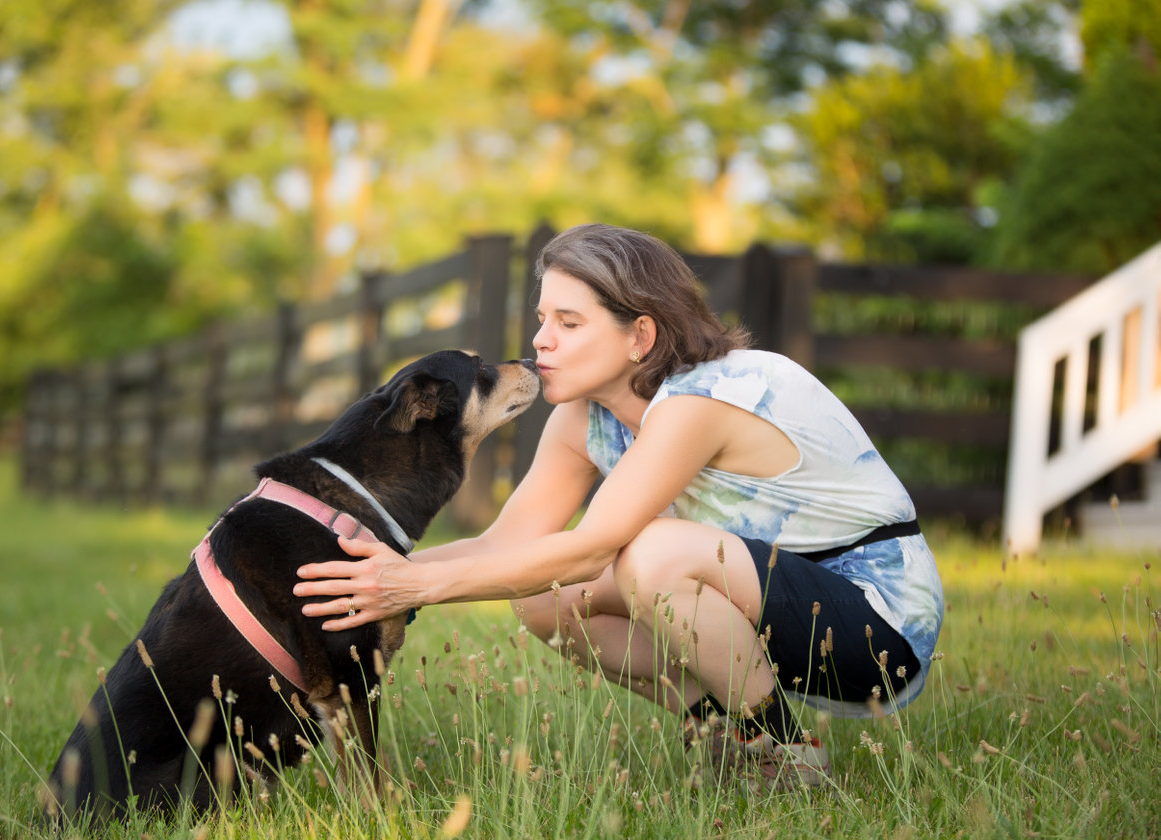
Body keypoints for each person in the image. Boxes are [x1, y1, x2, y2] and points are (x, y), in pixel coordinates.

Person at [294, 223, 945, 790]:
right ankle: (721, 730)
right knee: (542, 595)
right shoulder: (585, 415)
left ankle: (782, 752)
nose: (541, 341)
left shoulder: (706, 396)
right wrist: (367, 575)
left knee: (651, 556)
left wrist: (416, 586)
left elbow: (594, 549)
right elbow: (505, 546)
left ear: (640, 335)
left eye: (569, 323)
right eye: (543, 319)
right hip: (758, 611)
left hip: (875, 629)